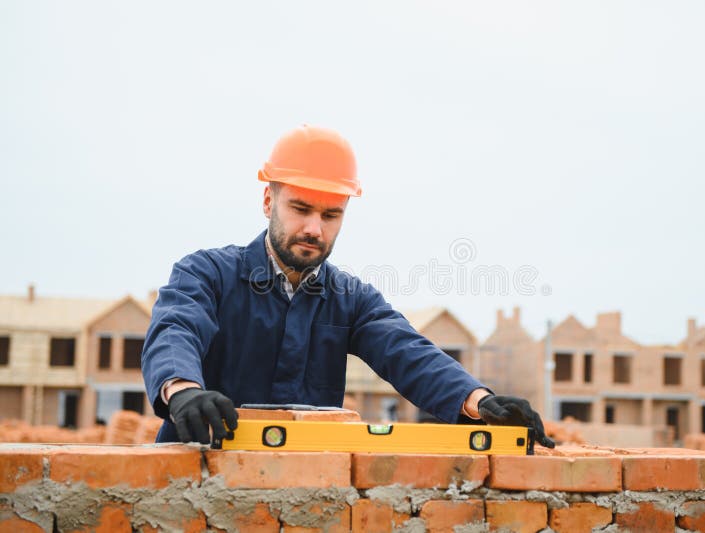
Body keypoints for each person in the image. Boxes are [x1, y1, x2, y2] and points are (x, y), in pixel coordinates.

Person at [141, 125, 555, 449]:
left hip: (301, 490)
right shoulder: (207, 273)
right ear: (269, 201)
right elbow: (177, 329)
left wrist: (479, 400)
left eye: (330, 215)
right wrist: (182, 390)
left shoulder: (350, 300)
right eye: (300, 209)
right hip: (201, 476)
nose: (313, 229)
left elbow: (407, 351)